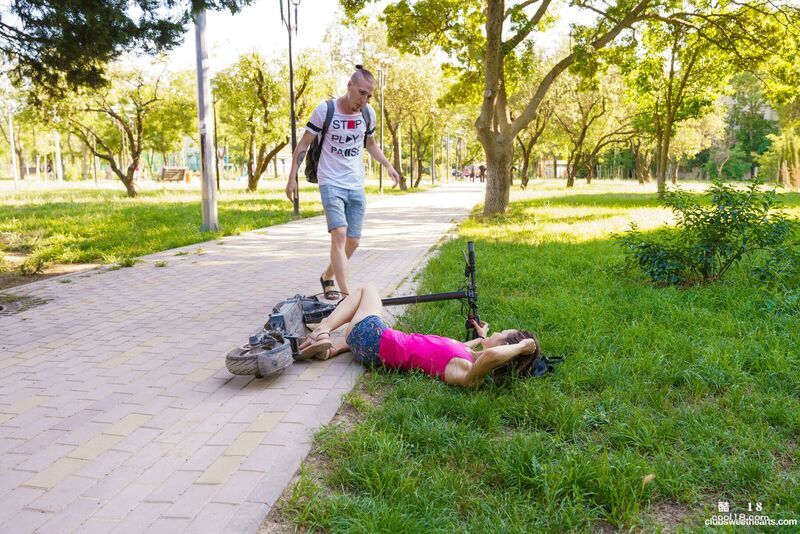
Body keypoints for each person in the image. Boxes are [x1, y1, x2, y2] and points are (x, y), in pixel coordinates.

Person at [285, 66, 400, 300]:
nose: (364, 99)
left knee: (353, 241)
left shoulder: (368, 114)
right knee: (339, 234)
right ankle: (347, 297)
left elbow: (370, 144)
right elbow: (304, 144)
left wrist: (388, 165)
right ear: (349, 86)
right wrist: (292, 177)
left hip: (355, 183)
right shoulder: (325, 111)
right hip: (330, 180)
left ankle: (327, 276)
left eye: (369, 96)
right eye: (361, 93)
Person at [297, 284, 540, 388]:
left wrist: (523, 347)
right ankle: (332, 349)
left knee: (367, 290)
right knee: (363, 310)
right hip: (370, 349)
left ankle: (322, 331)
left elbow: (491, 356)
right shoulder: (467, 357)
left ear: (505, 349)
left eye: (501, 334)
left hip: (373, 338)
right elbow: (465, 349)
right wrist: (481, 336)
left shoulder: (471, 376)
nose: (497, 331)